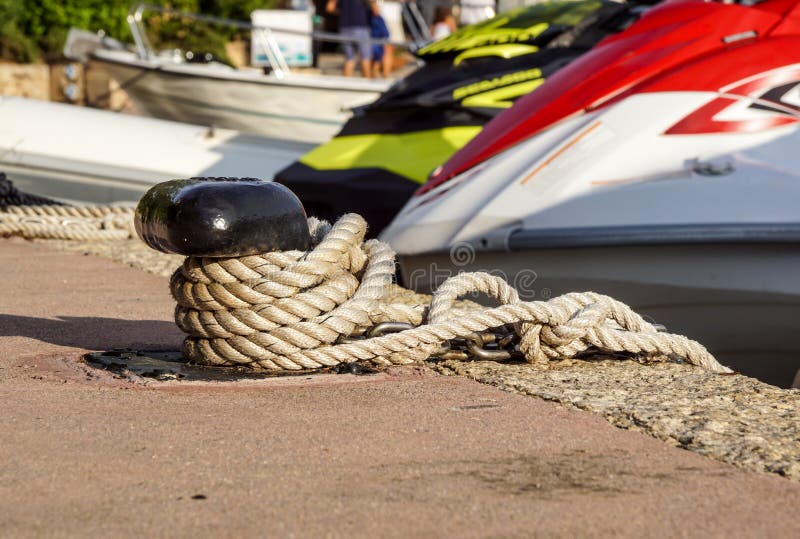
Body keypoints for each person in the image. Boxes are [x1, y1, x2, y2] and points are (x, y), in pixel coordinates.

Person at [327, 0, 374, 77]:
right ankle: (367, 87)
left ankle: (344, 86)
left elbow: (330, 8)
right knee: (365, 59)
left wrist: (343, 13)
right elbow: (375, 8)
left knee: (349, 59)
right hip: (361, 26)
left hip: (344, 27)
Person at [369, 4, 393, 78]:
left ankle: (384, 76)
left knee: (378, 59)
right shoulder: (374, 17)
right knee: (382, 56)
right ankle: (383, 76)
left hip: (381, 37)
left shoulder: (379, 17)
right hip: (377, 38)